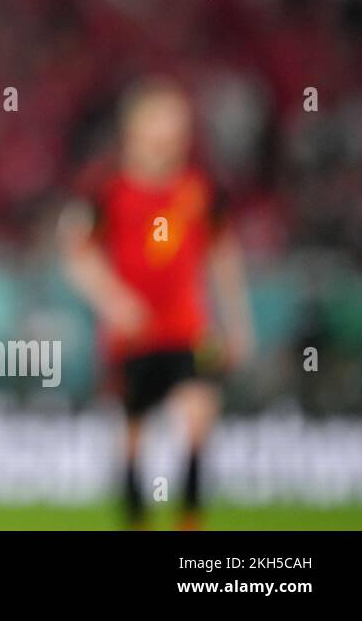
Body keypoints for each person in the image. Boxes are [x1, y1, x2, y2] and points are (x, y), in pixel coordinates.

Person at [60, 76, 255, 530]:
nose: (173, 130)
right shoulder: (106, 188)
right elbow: (75, 253)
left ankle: (189, 520)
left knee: (199, 413)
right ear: (137, 126)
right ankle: (138, 519)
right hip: (132, 336)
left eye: (179, 120)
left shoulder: (200, 189)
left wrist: (238, 323)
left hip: (188, 328)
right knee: (133, 436)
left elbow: (224, 256)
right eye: (162, 118)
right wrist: (114, 301)